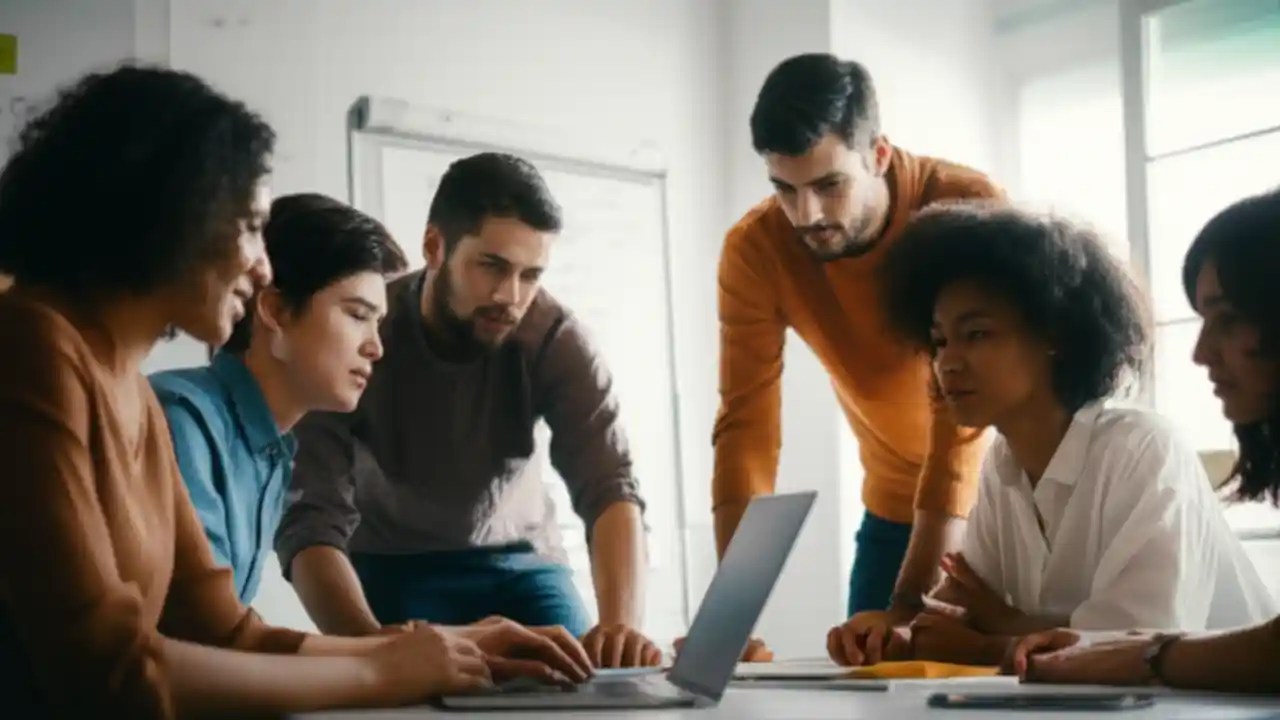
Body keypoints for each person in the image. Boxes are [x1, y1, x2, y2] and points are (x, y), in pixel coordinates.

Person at [0, 65, 585, 719]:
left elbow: (228, 632)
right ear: (165, 206)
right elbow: (109, 674)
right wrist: (384, 672)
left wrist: (437, 646)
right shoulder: (30, 346)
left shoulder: (133, 396)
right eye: (250, 225)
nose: (262, 264)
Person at [833, 202, 1276, 669]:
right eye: (940, 340)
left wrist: (1000, 630)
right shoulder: (1003, 465)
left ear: (1056, 334)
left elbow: (1138, 640)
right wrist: (895, 634)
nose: (948, 362)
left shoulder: (1140, 448)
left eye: (977, 334)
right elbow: (956, 615)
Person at [276, 152, 661, 668]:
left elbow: (611, 487)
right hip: (392, 565)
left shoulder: (555, 338)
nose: (511, 296)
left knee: (582, 682)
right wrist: (376, 654)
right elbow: (310, 520)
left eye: (531, 275)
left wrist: (621, 628)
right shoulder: (362, 333)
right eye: (492, 267)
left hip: (522, 564)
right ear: (435, 247)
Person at [714, 52, 1002, 657]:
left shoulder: (964, 205)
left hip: (1004, 509)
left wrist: (909, 604)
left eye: (828, 185)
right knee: (866, 697)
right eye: (784, 190)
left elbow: (961, 411)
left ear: (879, 155)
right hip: (894, 513)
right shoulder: (756, 249)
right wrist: (728, 624)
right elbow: (747, 426)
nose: (806, 215)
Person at [1012, 190, 1280, 693]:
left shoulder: (1139, 445)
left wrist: (1150, 653)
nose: (1201, 353)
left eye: (1228, 319)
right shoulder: (999, 465)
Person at [149, 194, 405, 605]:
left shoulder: (273, 450)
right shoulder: (182, 421)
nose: (375, 347)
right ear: (277, 311)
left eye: (378, 324)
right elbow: (206, 635)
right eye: (358, 316)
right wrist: (384, 658)